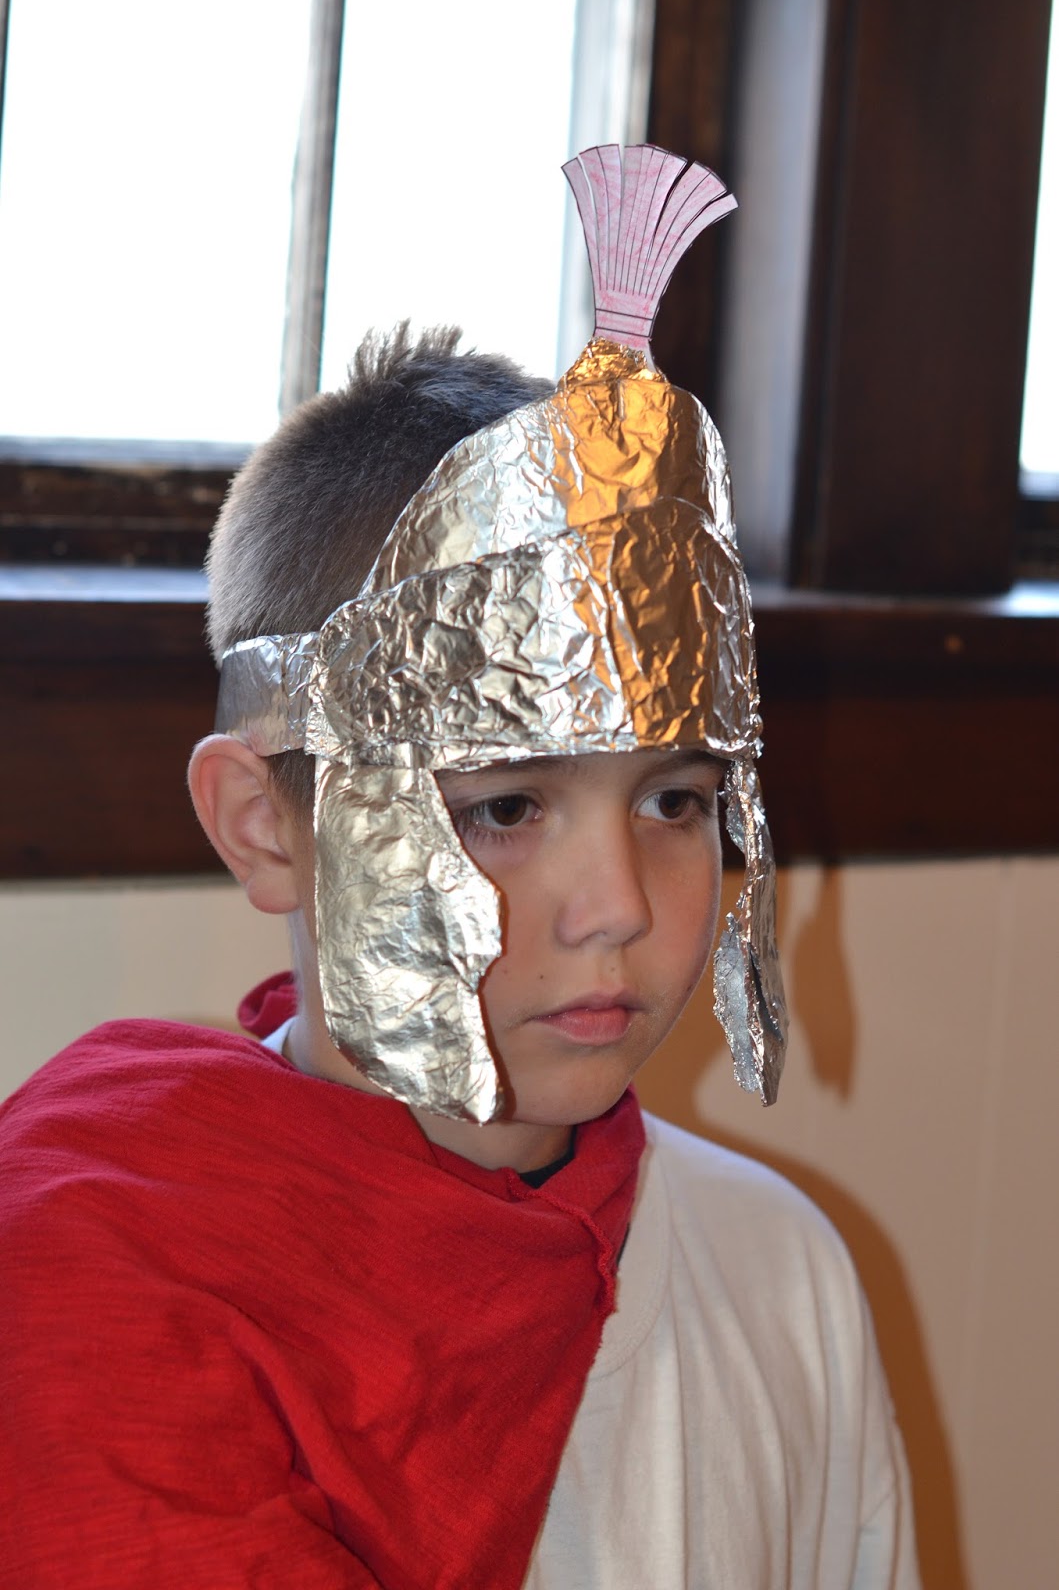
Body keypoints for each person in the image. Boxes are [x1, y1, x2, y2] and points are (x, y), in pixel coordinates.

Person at [0, 146, 919, 1588]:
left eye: (677, 800)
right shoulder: (91, 1284)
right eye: (503, 809)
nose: (620, 906)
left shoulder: (781, 1274)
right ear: (267, 825)